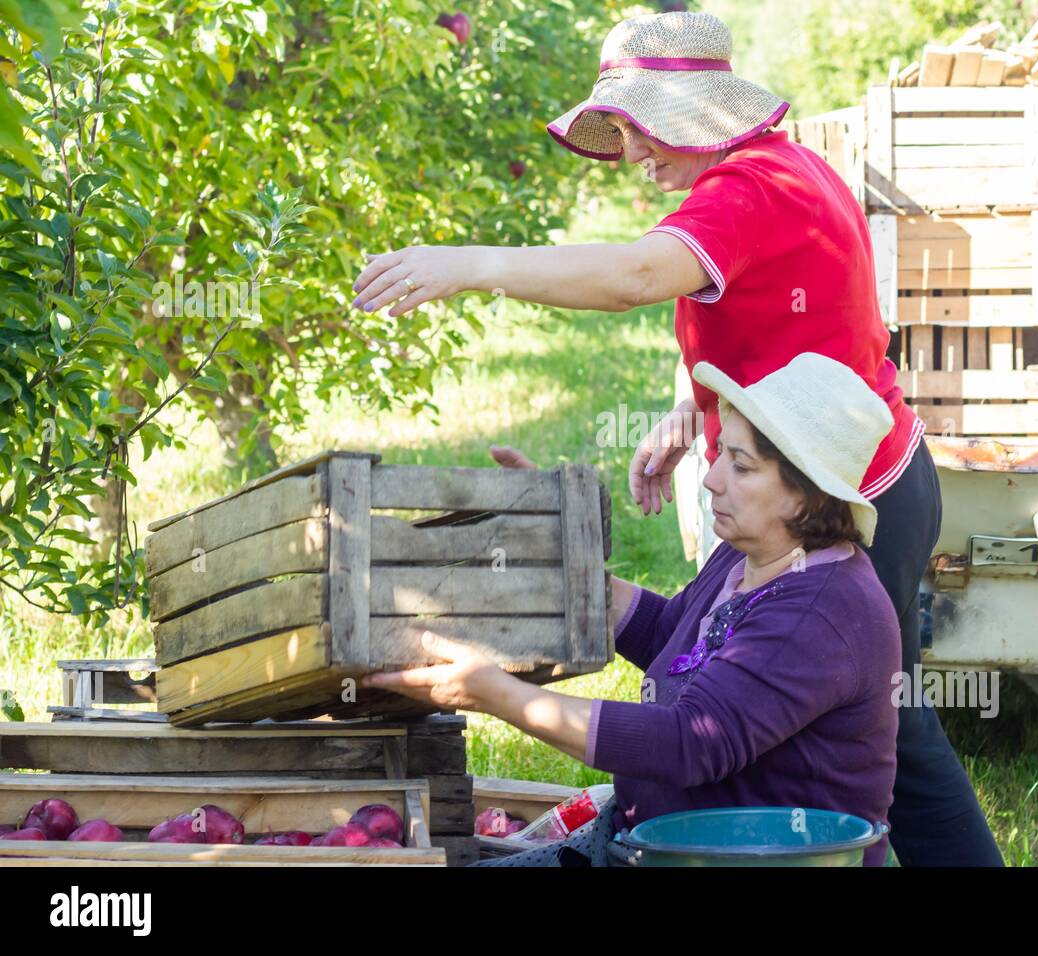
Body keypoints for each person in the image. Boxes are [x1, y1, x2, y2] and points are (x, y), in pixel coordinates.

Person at [351, 9, 1001, 866]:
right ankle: (750, 836)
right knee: (763, 675)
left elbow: (635, 275)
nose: (629, 152)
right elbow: (787, 333)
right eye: (618, 131)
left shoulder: (751, 188)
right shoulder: (775, 172)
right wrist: (695, 418)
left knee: (879, 728)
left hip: (850, 484)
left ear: (698, 114)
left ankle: (795, 846)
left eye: (635, 126)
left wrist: (473, 265)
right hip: (854, 461)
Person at [366, 353, 902, 866]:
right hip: (650, 847)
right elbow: (669, 639)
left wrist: (498, 695)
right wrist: (561, 554)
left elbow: (689, 742)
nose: (713, 479)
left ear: (804, 499)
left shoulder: (820, 613)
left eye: (741, 467)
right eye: (719, 456)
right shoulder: (748, 556)